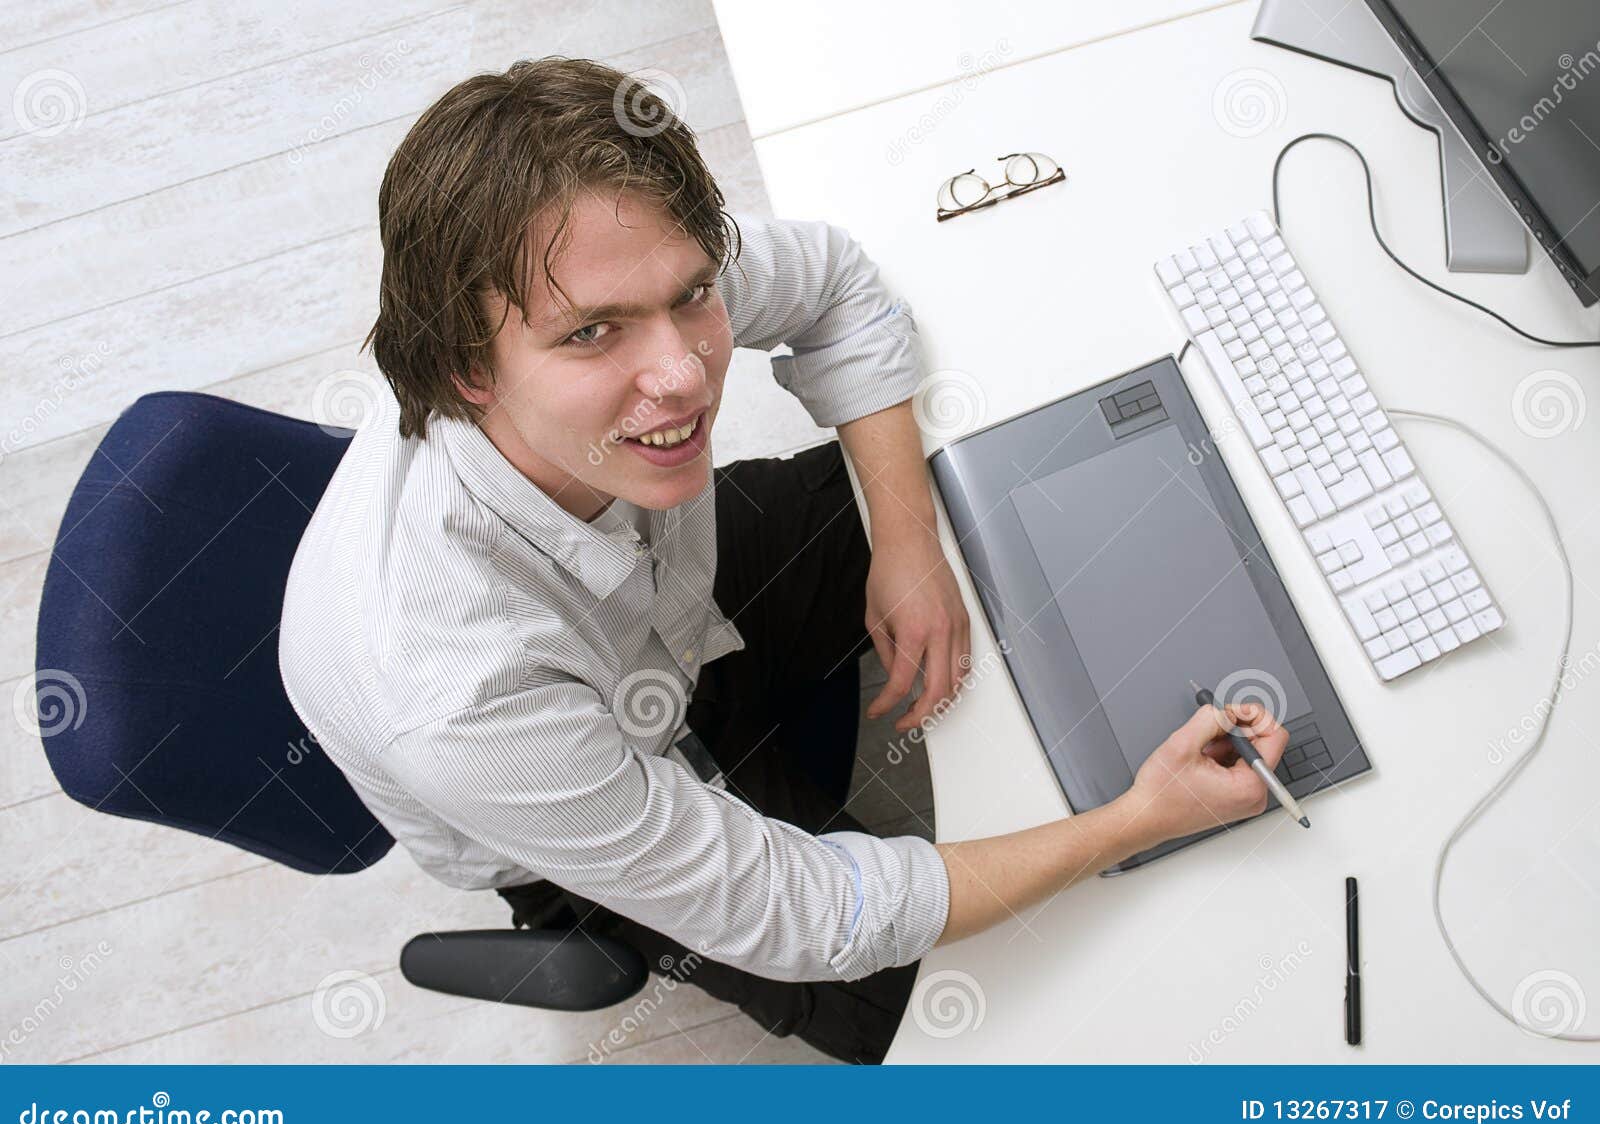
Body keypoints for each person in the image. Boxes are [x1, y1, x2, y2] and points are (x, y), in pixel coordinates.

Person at [278, 57, 1285, 1065]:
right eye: (593, 335)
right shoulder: (452, 693)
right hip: (575, 759)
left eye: (693, 297)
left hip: (670, 594)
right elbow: (816, 918)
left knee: (1010, 492)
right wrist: (1141, 819)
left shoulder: (618, 263)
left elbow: (837, 284)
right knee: (952, 1010)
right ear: (465, 369)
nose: (682, 375)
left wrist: (906, 545)